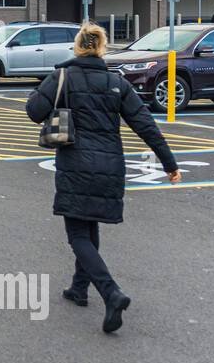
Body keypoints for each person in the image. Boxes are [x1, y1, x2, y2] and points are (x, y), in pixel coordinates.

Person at [26, 23, 182, 334]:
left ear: (77, 47)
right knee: (90, 221)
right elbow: (145, 125)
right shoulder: (116, 82)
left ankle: (111, 293)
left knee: (77, 234)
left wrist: (48, 92)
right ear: (102, 48)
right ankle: (78, 288)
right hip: (110, 165)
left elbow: (33, 110)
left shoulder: (62, 77)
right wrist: (169, 164)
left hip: (75, 163)